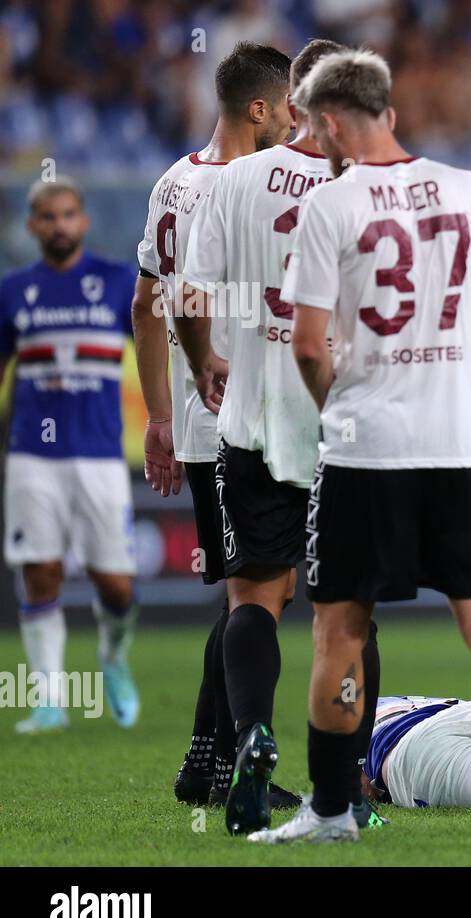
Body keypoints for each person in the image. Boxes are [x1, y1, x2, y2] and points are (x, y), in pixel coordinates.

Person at [250, 49, 471, 847]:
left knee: (339, 631)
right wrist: (448, 381)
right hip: (460, 446)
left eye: (315, 123)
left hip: (367, 450)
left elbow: (310, 347)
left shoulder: (331, 206)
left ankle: (333, 810)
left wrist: (338, 405)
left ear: (335, 120)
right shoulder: (468, 189)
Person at [176, 38, 386, 835]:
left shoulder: (235, 180)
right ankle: (352, 789)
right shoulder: (375, 190)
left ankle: (251, 741)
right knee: (348, 613)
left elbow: (189, 298)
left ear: (294, 100)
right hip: (344, 421)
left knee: (252, 597)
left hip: (255, 417)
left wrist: (203, 365)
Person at [134, 42, 297, 810]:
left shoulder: (172, 182)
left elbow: (145, 304)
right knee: (256, 595)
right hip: (239, 416)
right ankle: (218, 756)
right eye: (289, 105)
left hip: (200, 420)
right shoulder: (240, 188)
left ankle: (212, 756)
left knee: (250, 591)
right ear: (258, 109)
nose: (297, 120)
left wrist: (158, 417)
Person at [0, 179, 139, 734]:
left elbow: (154, 349)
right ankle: (49, 700)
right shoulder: (13, 291)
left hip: (100, 455)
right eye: (48, 217)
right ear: (32, 226)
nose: (59, 225)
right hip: (32, 454)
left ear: (83, 221)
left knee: (116, 584)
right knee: (42, 572)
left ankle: (114, 658)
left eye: (68, 215)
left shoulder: (116, 283)